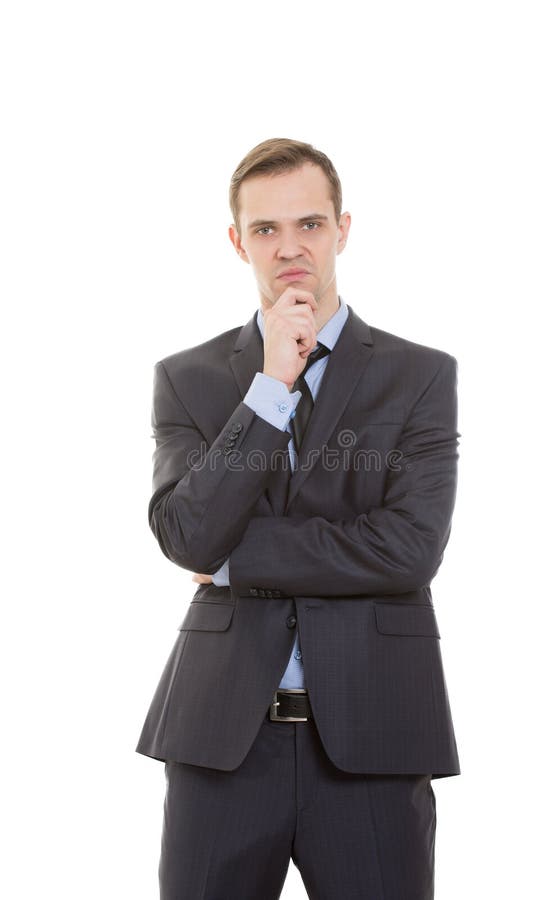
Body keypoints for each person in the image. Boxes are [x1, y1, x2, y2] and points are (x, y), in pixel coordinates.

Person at [135, 137, 461, 899]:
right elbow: (185, 535)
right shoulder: (186, 380)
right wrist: (270, 386)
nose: (290, 248)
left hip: (375, 735)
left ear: (343, 229)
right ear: (236, 240)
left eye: (309, 225)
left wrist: (236, 561)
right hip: (220, 742)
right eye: (266, 230)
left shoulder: (421, 377)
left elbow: (409, 550)